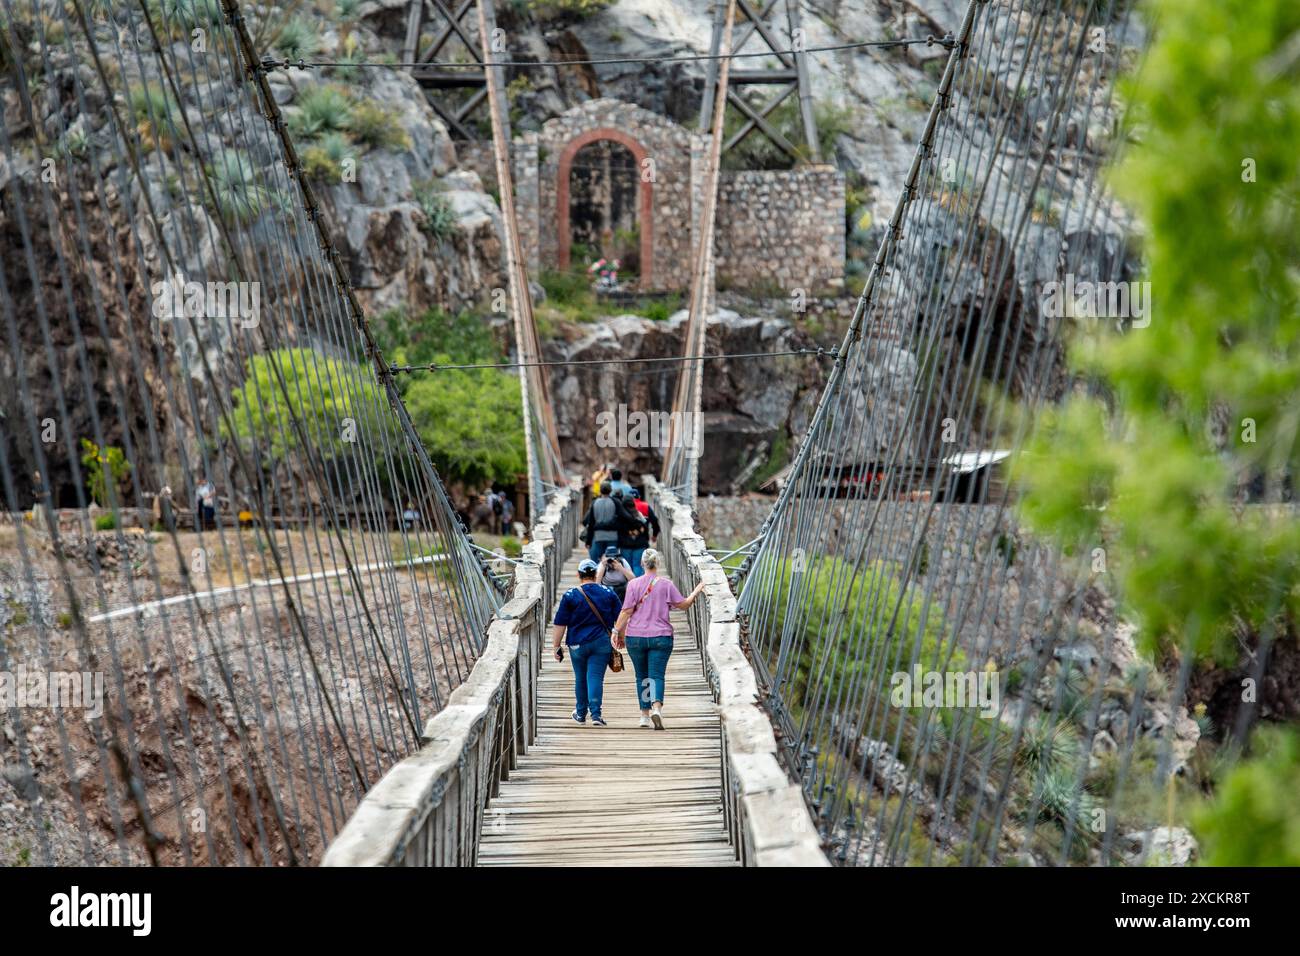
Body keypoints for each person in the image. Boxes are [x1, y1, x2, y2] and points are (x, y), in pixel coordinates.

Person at [613, 548, 705, 730]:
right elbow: (684, 604)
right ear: (658, 563)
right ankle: (657, 708)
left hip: (636, 637)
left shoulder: (633, 585)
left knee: (641, 676)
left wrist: (617, 632)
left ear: (641, 564)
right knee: (657, 675)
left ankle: (644, 716)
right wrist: (696, 591)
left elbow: (626, 611)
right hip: (661, 637)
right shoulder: (666, 584)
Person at [551, 558, 622, 727]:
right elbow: (621, 617)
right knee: (595, 677)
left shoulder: (570, 595)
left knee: (580, 678)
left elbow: (560, 623)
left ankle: (581, 714)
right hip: (601, 642)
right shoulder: (608, 592)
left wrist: (556, 646)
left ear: (578, 575)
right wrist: (621, 636)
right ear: (596, 574)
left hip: (577, 643)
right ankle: (596, 715)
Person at [580, 481, 644, 562]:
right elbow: (626, 516)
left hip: (598, 536)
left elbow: (591, 523)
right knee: (611, 560)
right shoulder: (615, 502)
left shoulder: (595, 503)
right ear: (610, 490)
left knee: (601, 561)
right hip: (612, 537)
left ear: (600, 491)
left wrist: (588, 541)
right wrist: (638, 525)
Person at [624, 488, 660, 576]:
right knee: (638, 565)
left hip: (626, 542)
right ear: (639, 496)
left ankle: (630, 586)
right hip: (640, 540)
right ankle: (639, 586)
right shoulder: (645, 506)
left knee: (627, 565)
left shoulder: (623, 510)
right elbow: (654, 521)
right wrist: (654, 535)